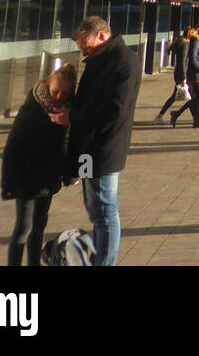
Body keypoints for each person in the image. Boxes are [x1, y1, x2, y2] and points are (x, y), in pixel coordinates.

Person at [68, 15, 141, 267]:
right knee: (95, 209)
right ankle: (101, 259)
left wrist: (72, 116)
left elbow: (114, 111)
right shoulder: (102, 58)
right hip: (89, 148)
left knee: (105, 210)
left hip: (102, 149)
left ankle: (105, 263)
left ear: (102, 35)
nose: (82, 50)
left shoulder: (122, 60)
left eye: (85, 44)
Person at [1, 63, 76, 266]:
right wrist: (8, 185)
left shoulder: (69, 113)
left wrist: (71, 174)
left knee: (39, 227)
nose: (58, 96)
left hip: (48, 176)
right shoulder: (32, 107)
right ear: (47, 84)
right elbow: (12, 147)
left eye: (64, 93)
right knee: (23, 228)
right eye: (55, 91)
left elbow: (69, 145)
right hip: (26, 176)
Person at [170, 24, 199, 128]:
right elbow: (193, 58)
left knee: (197, 97)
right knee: (198, 97)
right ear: (197, 31)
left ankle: (191, 119)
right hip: (196, 74)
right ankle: (181, 116)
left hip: (197, 73)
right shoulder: (196, 42)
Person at [156, 26, 190, 121]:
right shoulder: (184, 45)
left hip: (179, 73)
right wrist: (183, 77)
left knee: (190, 97)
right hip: (181, 74)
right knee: (175, 97)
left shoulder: (182, 43)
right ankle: (161, 116)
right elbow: (182, 61)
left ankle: (195, 118)